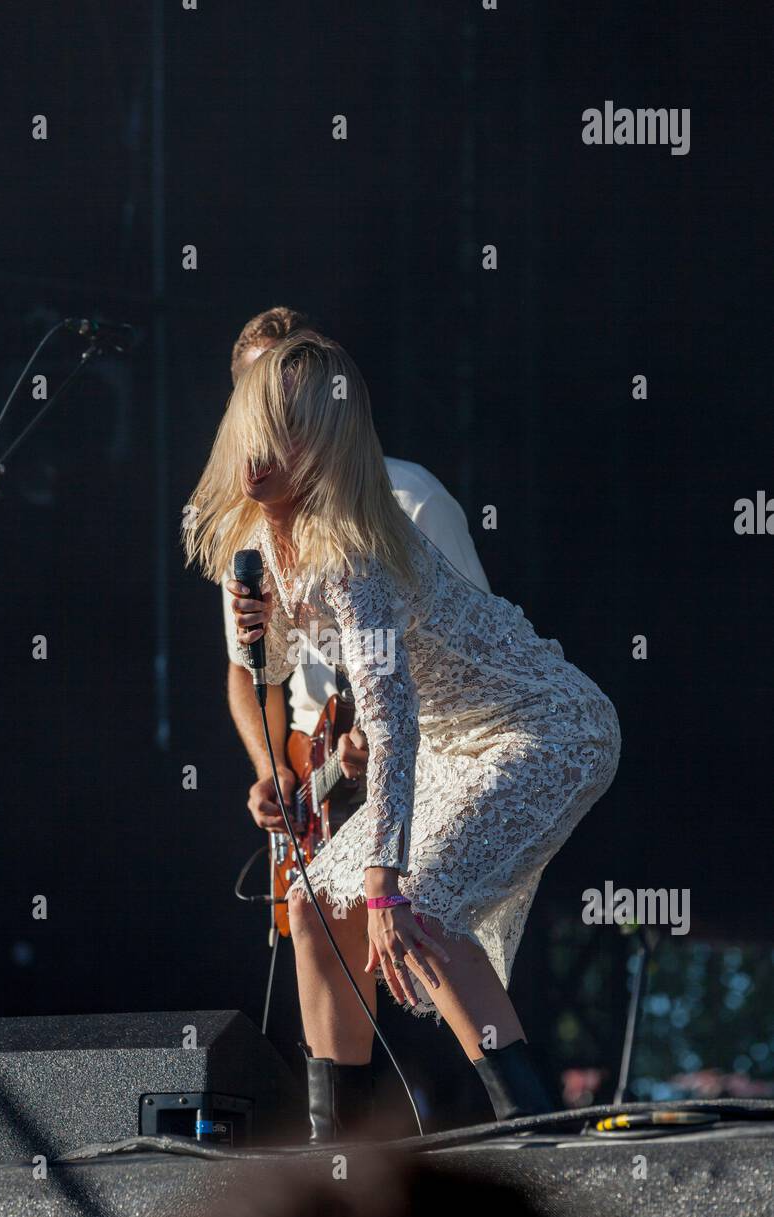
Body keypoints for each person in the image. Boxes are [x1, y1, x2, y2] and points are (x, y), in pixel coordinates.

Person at [184, 332, 621, 1141]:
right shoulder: (266, 540)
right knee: (316, 910)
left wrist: (385, 885)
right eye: (249, 427)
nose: (254, 454)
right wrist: (262, 626)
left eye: (278, 431)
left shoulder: (355, 552)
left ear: (317, 441)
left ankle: (535, 1135)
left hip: (545, 729)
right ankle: (339, 1154)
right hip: (453, 742)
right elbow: (278, 667)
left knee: (420, 908)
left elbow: (389, 722)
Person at [222, 307, 489, 831]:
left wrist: (384, 733)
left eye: (291, 386)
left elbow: (473, 654)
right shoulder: (250, 525)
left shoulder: (412, 501)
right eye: (257, 394)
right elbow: (245, 665)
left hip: (417, 764)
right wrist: (273, 769)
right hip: (313, 775)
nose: (272, 410)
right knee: (306, 913)